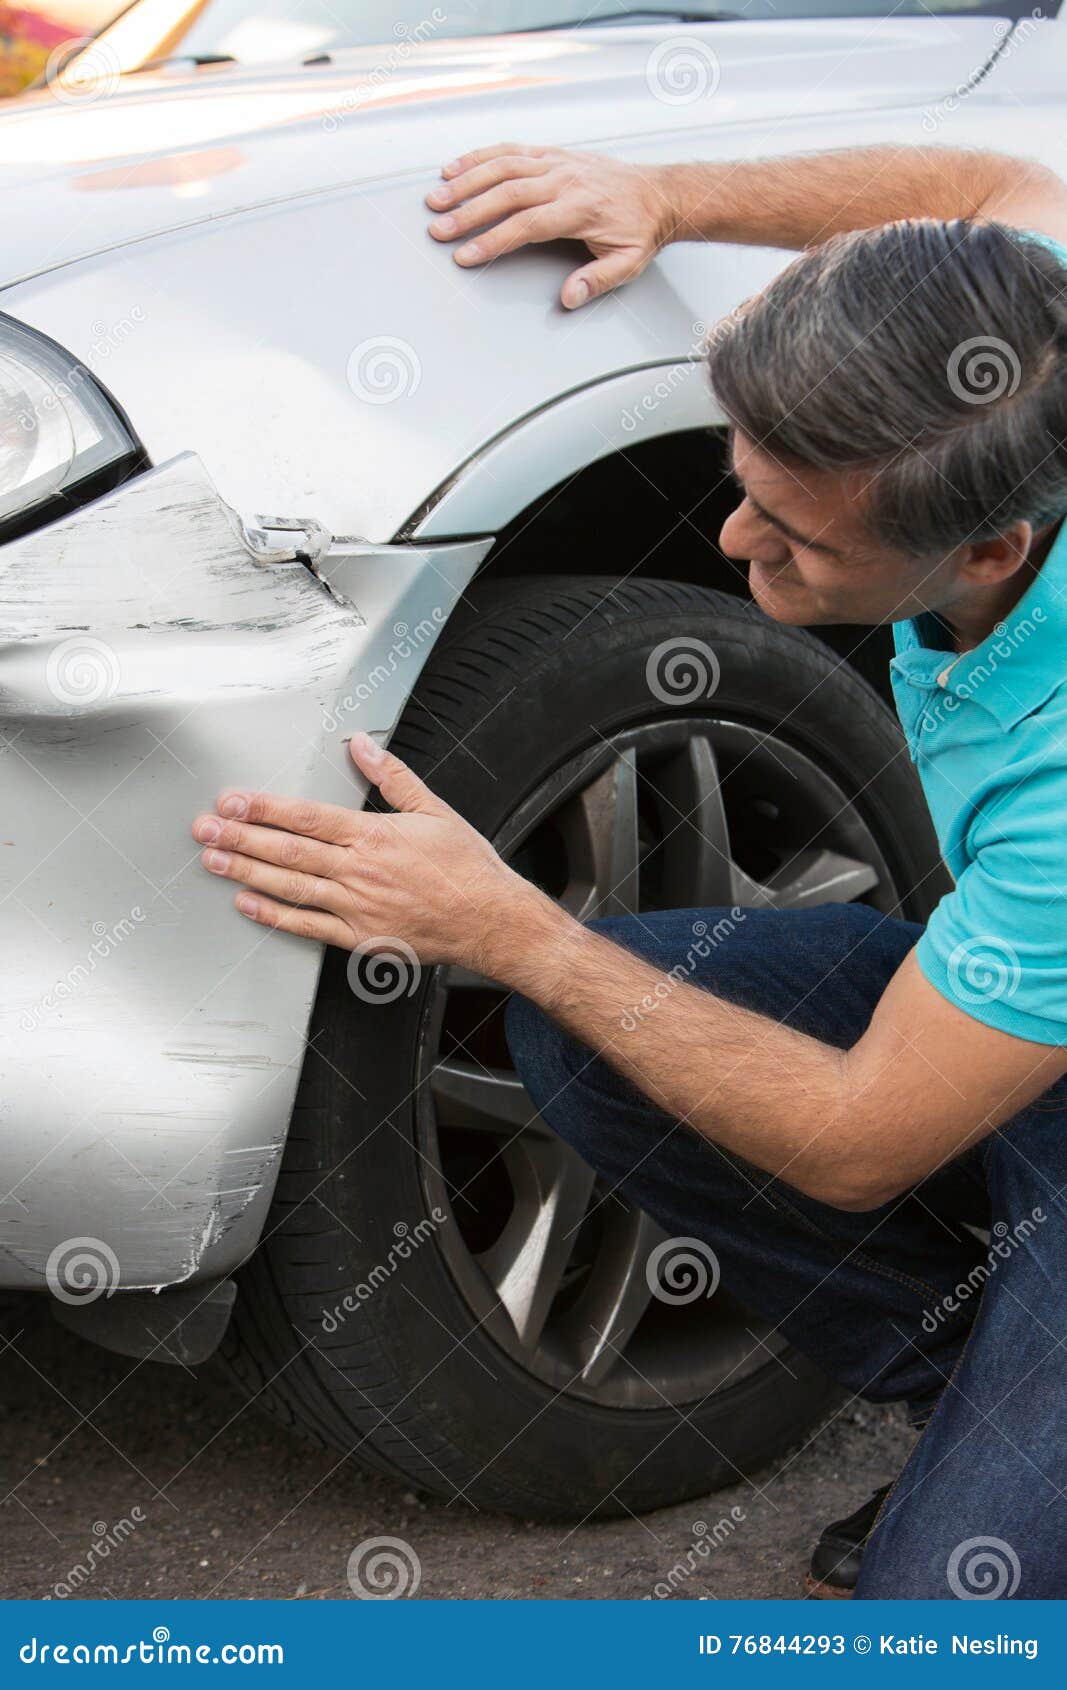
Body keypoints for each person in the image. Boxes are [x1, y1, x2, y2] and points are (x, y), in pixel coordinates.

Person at [191, 142, 1067, 1599]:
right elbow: (999, 182)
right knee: (618, 1030)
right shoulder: (1034, 346)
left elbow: (860, 1137)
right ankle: (986, 1384)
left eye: (792, 540)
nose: (733, 545)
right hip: (1029, 1020)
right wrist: (675, 198)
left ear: (992, 547)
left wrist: (512, 925)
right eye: (744, 489)